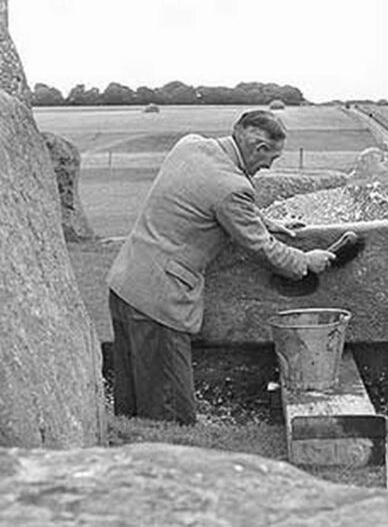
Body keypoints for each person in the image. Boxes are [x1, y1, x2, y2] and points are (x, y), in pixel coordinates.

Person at [106, 110, 336, 425]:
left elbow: (201, 195)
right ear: (258, 148)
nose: (270, 165)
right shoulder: (232, 187)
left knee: (132, 405)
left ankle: (130, 464)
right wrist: (306, 261)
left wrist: (264, 221)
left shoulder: (189, 145)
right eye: (272, 157)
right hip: (159, 301)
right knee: (170, 414)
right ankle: (173, 469)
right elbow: (261, 249)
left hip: (126, 283)